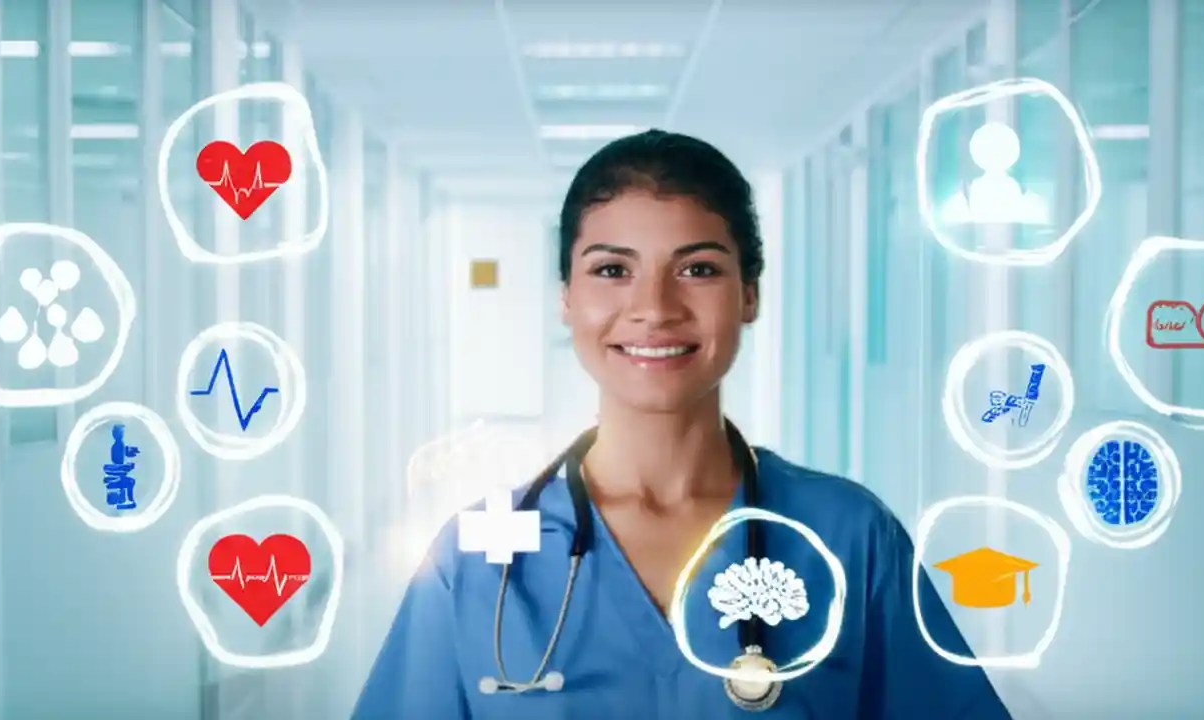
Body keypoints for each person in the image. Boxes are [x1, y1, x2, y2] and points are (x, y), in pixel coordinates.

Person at [352, 129, 1012, 719]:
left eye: (697, 269)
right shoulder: (476, 558)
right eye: (612, 270)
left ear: (748, 293)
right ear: (566, 299)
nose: (654, 308)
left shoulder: (846, 535)